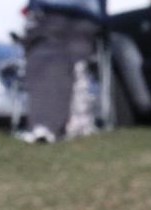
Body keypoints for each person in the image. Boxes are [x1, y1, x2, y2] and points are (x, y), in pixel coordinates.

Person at [17, 0, 104, 143]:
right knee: (71, 62)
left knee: (46, 60)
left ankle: (45, 125)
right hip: (87, 17)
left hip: (53, 14)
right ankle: (70, 120)